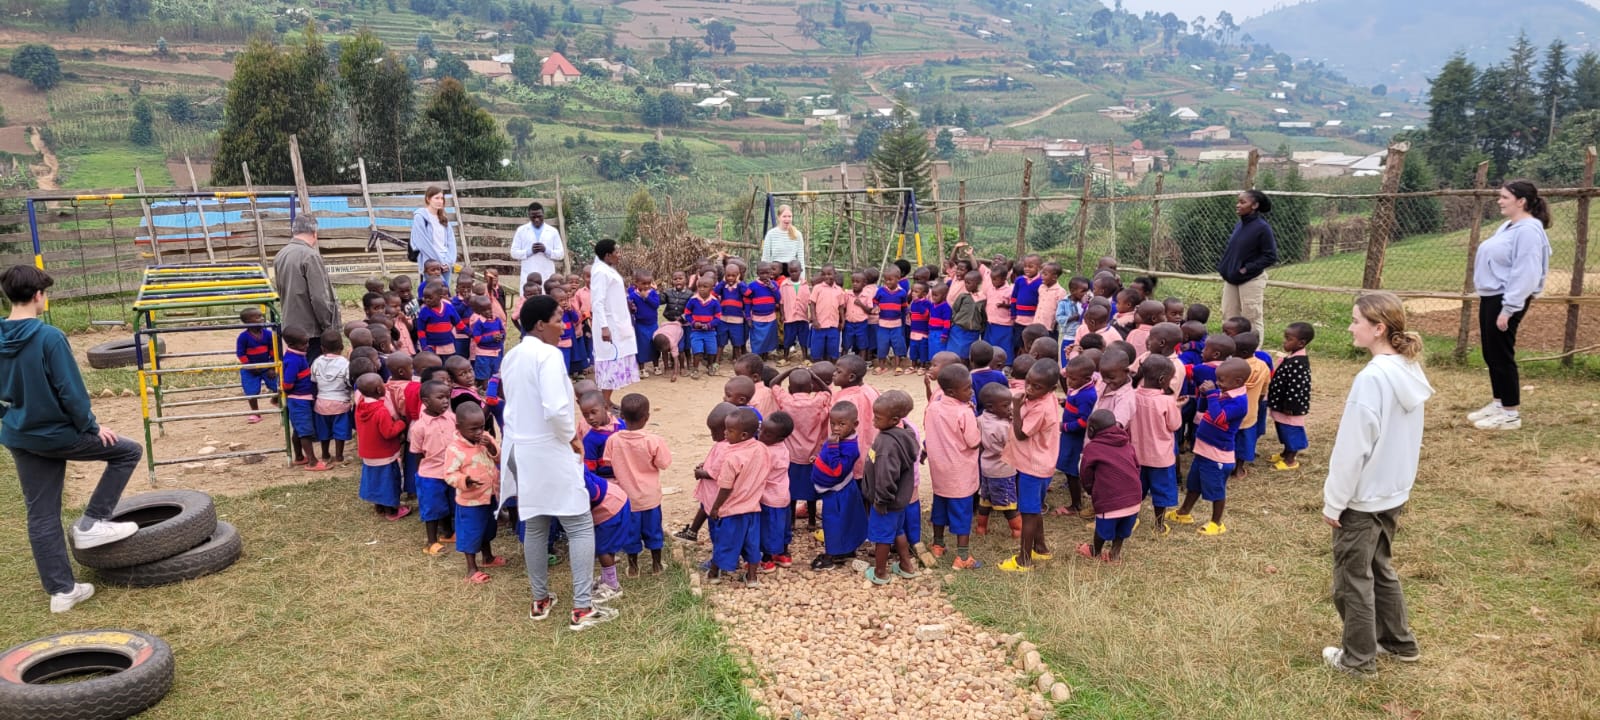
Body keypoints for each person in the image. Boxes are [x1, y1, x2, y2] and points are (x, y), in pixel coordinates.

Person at [0, 265, 142, 613]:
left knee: (41, 513)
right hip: (56, 434)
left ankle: (62, 592)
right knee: (127, 452)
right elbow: (71, 392)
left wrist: (7, 417)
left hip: (19, 435)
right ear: (38, 296)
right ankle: (92, 522)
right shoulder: (48, 337)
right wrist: (92, 427)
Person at [1321, 291, 1431, 677]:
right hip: (1393, 491)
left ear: (1378, 328)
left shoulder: (1372, 379)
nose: (1350, 327)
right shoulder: (1408, 369)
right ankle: (1399, 643)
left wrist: (1334, 502)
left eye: (1355, 321)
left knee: (1352, 581)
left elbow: (1353, 449)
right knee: (1380, 567)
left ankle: (1358, 658)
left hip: (1363, 498)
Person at [501, 295, 615, 630]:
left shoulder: (512, 356)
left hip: (520, 448)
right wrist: (572, 437)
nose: (563, 325)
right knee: (578, 524)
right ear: (540, 324)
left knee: (536, 524)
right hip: (549, 448)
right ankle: (582, 608)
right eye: (557, 319)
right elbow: (555, 409)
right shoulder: (548, 355)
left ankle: (540, 598)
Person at [1469, 180, 1553, 431]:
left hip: (1506, 297)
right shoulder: (1509, 226)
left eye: (1504, 197)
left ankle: (1510, 413)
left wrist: (1509, 307)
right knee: (1491, 352)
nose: (1499, 200)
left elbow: (1526, 271)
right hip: (1492, 295)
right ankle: (1499, 403)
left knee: (1502, 355)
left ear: (1521, 201)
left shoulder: (1528, 230)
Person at [999, 359, 1064, 572]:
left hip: (1032, 468)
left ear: (1051, 389)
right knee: (1034, 508)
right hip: (1041, 464)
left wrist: (1016, 409)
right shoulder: (1047, 398)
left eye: (1037, 387)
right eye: (1028, 382)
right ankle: (1041, 547)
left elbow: (1021, 433)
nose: (1029, 389)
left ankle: (1024, 560)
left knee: (1027, 513)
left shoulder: (1041, 408)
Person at [603, 393, 672, 576]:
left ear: (622, 416)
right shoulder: (653, 440)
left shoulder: (613, 440)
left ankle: (633, 567)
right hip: (650, 497)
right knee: (654, 531)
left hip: (626, 498)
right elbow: (664, 463)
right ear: (646, 417)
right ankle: (656, 565)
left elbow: (608, 462)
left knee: (630, 534)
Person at [924, 364, 983, 569]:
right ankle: (963, 556)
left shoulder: (933, 407)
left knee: (939, 506)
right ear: (951, 391)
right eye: (967, 389)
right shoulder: (964, 412)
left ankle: (938, 545)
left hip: (939, 469)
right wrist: (979, 425)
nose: (971, 392)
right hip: (960, 472)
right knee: (962, 512)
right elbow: (973, 441)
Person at [862, 391, 921, 586]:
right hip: (899, 501)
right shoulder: (906, 433)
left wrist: (881, 499)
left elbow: (886, 477)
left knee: (882, 537)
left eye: (878, 418)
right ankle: (906, 566)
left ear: (894, 419)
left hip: (885, 502)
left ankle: (880, 572)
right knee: (898, 532)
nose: (873, 421)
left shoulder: (886, 444)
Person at [272, 214, 340, 358]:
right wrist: (328, 326)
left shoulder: (281, 254)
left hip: (291, 325)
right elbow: (319, 297)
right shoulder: (310, 255)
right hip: (310, 329)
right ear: (315, 233)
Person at [1217, 189, 1278, 333]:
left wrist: (1246, 269)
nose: (1238, 205)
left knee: (1251, 318)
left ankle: (1254, 352)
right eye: (1238, 201)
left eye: (1242, 202)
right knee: (1229, 316)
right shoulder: (1240, 225)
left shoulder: (1262, 228)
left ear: (1255, 205)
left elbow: (1270, 256)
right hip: (1232, 279)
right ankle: (1231, 349)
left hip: (1250, 279)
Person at [588, 239, 637, 407]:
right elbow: (597, 302)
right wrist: (604, 327)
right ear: (608, 255)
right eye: (616, 252)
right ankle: (605, 401)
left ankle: (607, 400)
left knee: (616, 358)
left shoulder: (607, 269)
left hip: (617, 321)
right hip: (608, 324)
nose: (619, 255)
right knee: (610, 360)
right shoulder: (601, 273)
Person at [1267, 322, 1316, 471]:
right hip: (1282, 405)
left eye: (1289, 339)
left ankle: (1290, 459)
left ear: (1301, 343)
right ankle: (1285, 453)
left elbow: (1296, 387)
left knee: (1291, 430)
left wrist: (1290, 406)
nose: (1284, 342)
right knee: (1283, 428)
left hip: (1290, 408)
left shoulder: (1298, 363)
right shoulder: (1292, 357)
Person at [510, 202, 565, 292]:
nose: (536, 219)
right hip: (529, 272)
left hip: (547, 271)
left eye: (539, 216)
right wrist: (529, 251)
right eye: (533, 217)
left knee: (546, 299)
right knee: (529, 299)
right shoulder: (521, 230)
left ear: (543, 214)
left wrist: (546, 250)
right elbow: (513, 253)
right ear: (529, 216)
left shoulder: (552, 231)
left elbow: (561, 254)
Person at [411, 186, 457, 288]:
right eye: (436, 198)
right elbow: (422, 243)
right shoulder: (420, 217)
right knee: (434, 292)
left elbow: (451, 242)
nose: (440, 201)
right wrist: (439, 261)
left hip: (446, 262)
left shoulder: (443, 219)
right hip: (430, 262)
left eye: (442, 198)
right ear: (428, 199)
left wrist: (449, 261)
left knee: (445, 292)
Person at [761, 203, 807, 282]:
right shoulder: (771, 234)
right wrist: (764, 276)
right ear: (779, 217)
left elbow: (801, 258)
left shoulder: (797, 234)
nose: (787, 219)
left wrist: (802, 277)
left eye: (789, 216)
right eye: (784, 216)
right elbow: (766, 257)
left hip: (792, 272)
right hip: (775, 273)